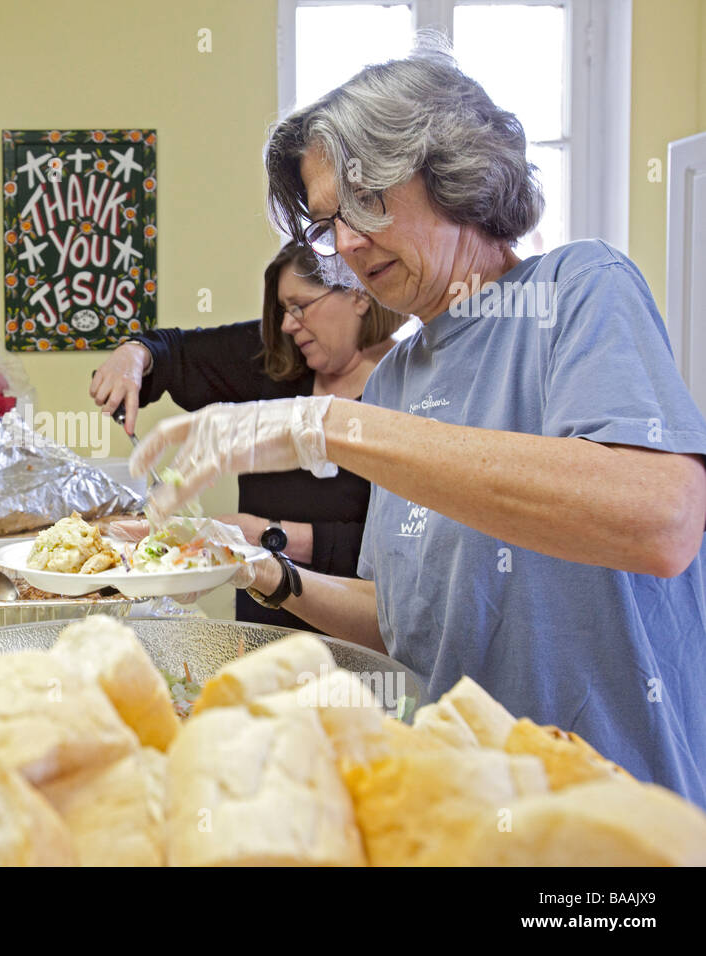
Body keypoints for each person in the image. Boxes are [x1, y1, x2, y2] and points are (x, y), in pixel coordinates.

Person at [130, 38, 706, 807]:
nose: (347, 244)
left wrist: (325, 423)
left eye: (367, 200)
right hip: (462, 810)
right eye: (329, 222)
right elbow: (406, 623)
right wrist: (256, 565)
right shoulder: (400, 378)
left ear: (453, 169)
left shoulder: (579, 288)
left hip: (610, 820)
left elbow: (659, 519)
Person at [89, 242, 408, 629]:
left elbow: (403, 551)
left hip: (359, 628)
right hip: (261, 621)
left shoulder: (409, 388)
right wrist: (135, 354)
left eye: (300, 306)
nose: (289, 324)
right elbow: (177, 353)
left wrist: (265, 535)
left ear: (359, 295)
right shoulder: (277, 358)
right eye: (284, 311)